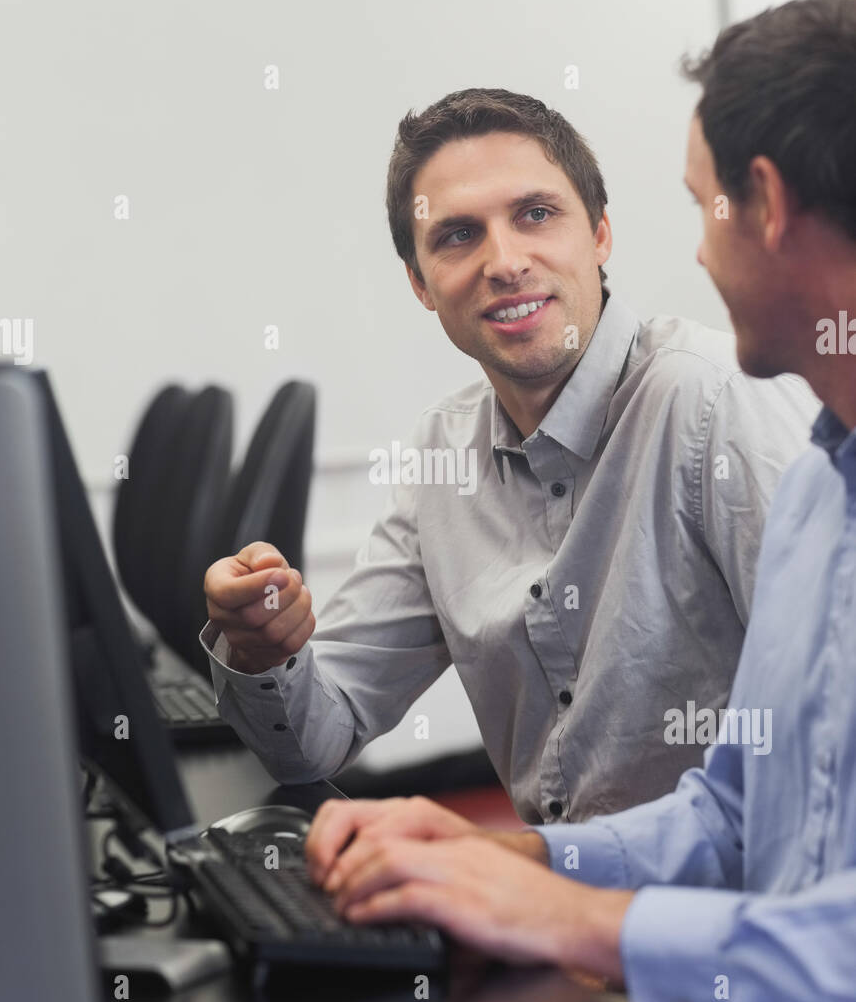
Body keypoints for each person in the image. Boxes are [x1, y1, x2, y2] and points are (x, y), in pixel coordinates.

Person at [300, 0, 856, 1002]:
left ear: (767, 204)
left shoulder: (725, 421)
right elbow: (731, 817)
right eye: (456, 234)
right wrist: (514, 864)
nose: (693, 255)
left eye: (703, 209)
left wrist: (582, 924)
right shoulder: (818, 486)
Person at [202, 89, 813, 825]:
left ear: (599, 234)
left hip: (726, 913)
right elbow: (315, 741)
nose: (504, 261)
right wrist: (266, 653)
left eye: (535, 214)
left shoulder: (718, 402)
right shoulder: (444, 455)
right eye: (458, 235)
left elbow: (830, 733)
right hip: (558, 904)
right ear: (421, 284)